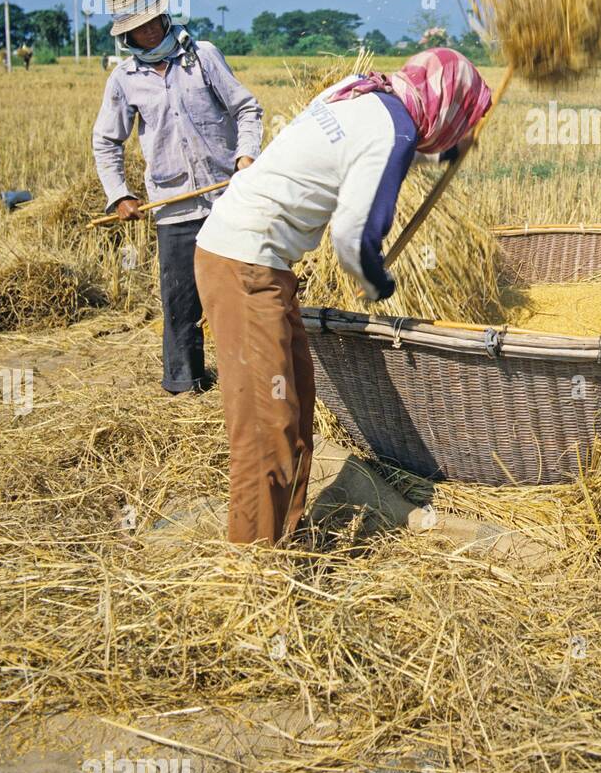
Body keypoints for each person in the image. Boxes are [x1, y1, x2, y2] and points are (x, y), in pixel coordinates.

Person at [194, 48, 492, 546]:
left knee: (292, 407)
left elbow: (366, 150)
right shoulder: (392, 134)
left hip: (259, 260)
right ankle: (252, 562)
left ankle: (283, 537)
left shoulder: (363, 91)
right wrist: (377, 282)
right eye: (460, 121)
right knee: (267, 425)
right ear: (447, 107)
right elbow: (354, 238)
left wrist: (438, 155)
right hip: (243, 263)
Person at [92, 0, 262, 394]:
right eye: (138, 26)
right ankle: (185, 385)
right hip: (173, 206)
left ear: (164, 15)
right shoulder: (124, 78)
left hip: (227, 198)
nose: (149, 30)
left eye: (153, 19)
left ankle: (251, 378)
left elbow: (247, 108)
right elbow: (106, 141)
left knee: (242, 293)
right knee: (181, 302)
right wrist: (120, 195)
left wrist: (246, 156)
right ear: (126, 33)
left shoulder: (202, 57)